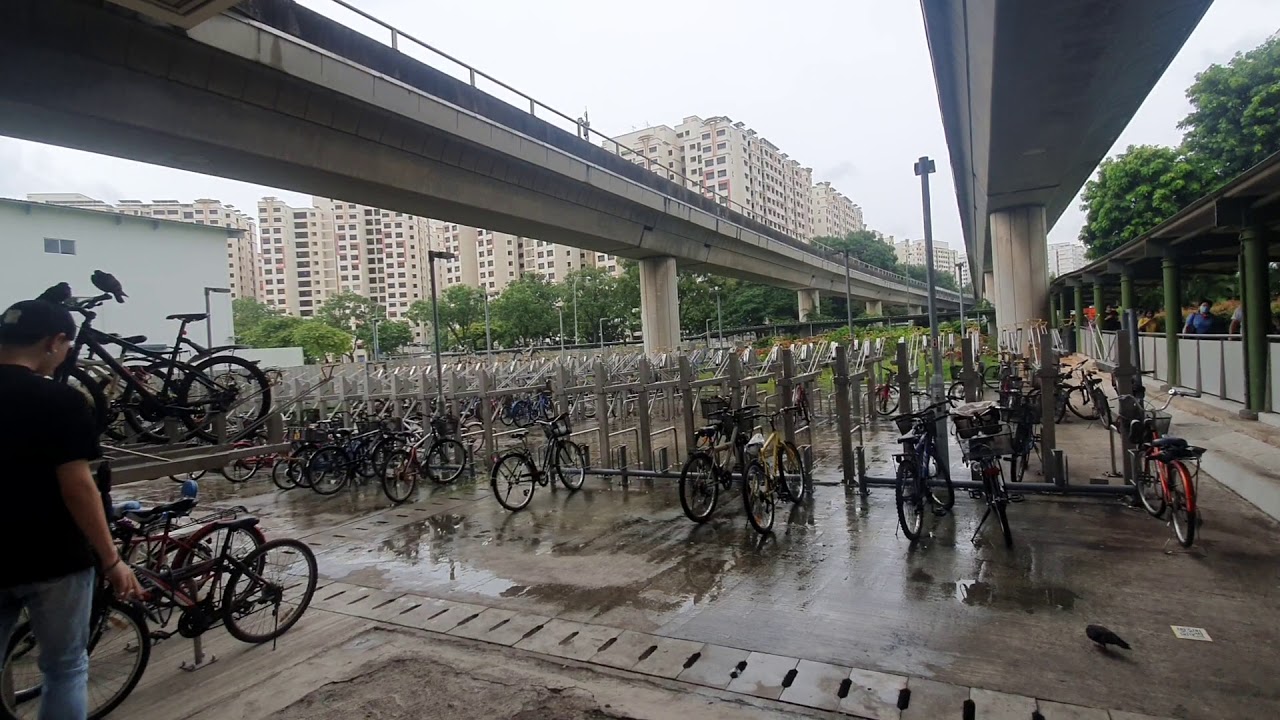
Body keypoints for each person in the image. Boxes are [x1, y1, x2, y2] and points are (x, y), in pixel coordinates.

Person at [0, 298, 142, 720]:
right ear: (54, 341)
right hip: (55, 556)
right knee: (64, 669)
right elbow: (79, 488)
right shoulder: (60, 400)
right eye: (65, 347)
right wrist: (112, 559)